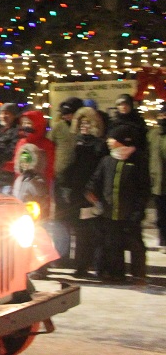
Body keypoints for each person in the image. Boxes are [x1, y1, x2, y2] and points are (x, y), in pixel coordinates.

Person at [86, 124, 150, 284]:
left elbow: (143, 189)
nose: (108, 141)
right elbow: (95, 183)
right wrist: (95, 200)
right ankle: (115, 273)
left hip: (130, 213)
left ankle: (138, 274)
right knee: (113, 245)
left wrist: (138, 210)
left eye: (112, 138)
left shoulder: (137, 161)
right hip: (109, 213)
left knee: (135, 244)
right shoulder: (107, 161)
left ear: (121, 141)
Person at [59, 107, 108, 276]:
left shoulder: (99, 145)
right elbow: (67, 167)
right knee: (79, 231)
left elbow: (101, 170)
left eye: (88, 123)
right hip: (75, 194)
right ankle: (80, 265)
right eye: (81, 123)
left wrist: (94, 191)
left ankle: (90, 265)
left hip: (90, 194)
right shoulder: (73, 143)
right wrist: (66, 186)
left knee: (90, 232)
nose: (84, 126)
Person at [49, 97, 83, 266]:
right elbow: (50, 147)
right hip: (61, 180)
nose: (66, 117)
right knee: (61, 220)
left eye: (69, 113)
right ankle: (62, 255)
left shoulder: (84, 127)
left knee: (77, 222)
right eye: (64, 114)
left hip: (79, 181)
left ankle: (81, 259)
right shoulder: (59, 128)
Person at [148, 104, 166, 252]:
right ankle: (163, 239)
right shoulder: (153, 135)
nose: (162, 118)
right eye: (160, 115)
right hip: (158, 181)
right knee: (160, 213)